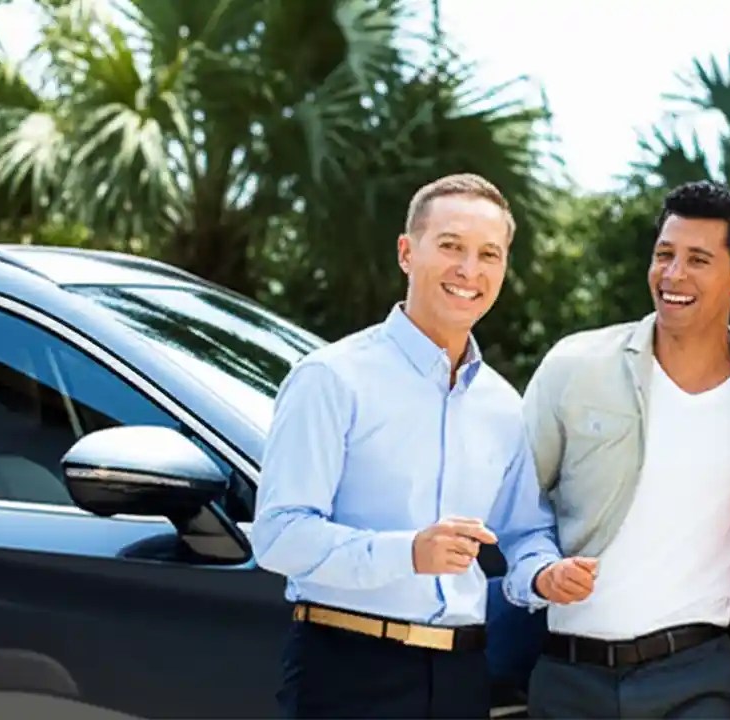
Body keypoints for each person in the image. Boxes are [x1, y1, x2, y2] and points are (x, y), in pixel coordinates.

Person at [250, 173, 599, 719]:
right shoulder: (331, 378)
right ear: (407, 253)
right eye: (451, 246)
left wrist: (542, 575)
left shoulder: (503, 405)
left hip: (461, 679)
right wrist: (408, 552)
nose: (470, 270)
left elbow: (525, 530)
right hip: (346, 672)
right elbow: (278, 535)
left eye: (489, 254)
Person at [520, 180, 730, 718]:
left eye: (697, 259)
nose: (673, 274)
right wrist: (542, 568)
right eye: (665, 254)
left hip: (697, 674)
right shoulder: (576, 365)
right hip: (571, 675)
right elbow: (516, 503)